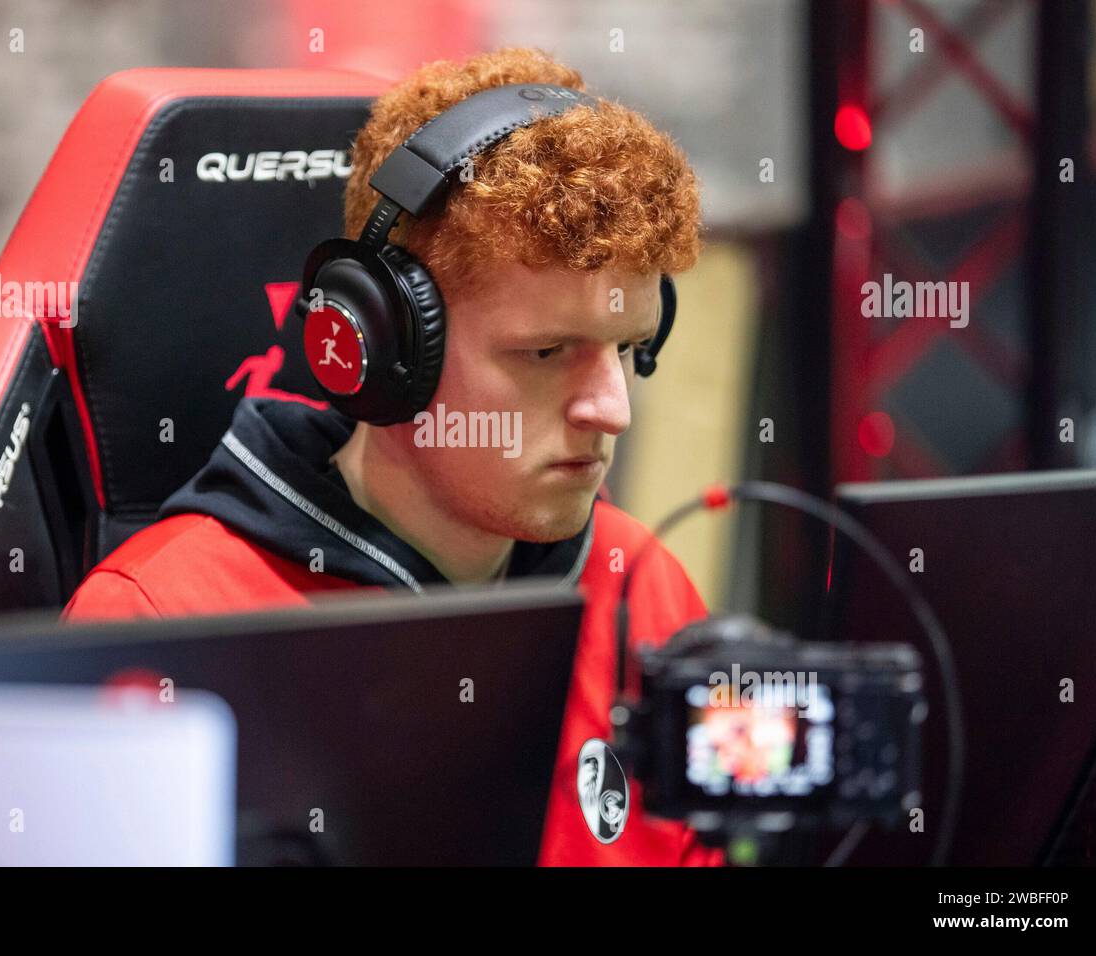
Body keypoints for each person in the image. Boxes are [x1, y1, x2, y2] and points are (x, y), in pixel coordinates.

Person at [63, 46, 722, 867]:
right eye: (548, 352)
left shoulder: (642, 587)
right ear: (382, 349)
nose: (611, 410)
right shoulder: (161, 626)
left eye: (627, 349)